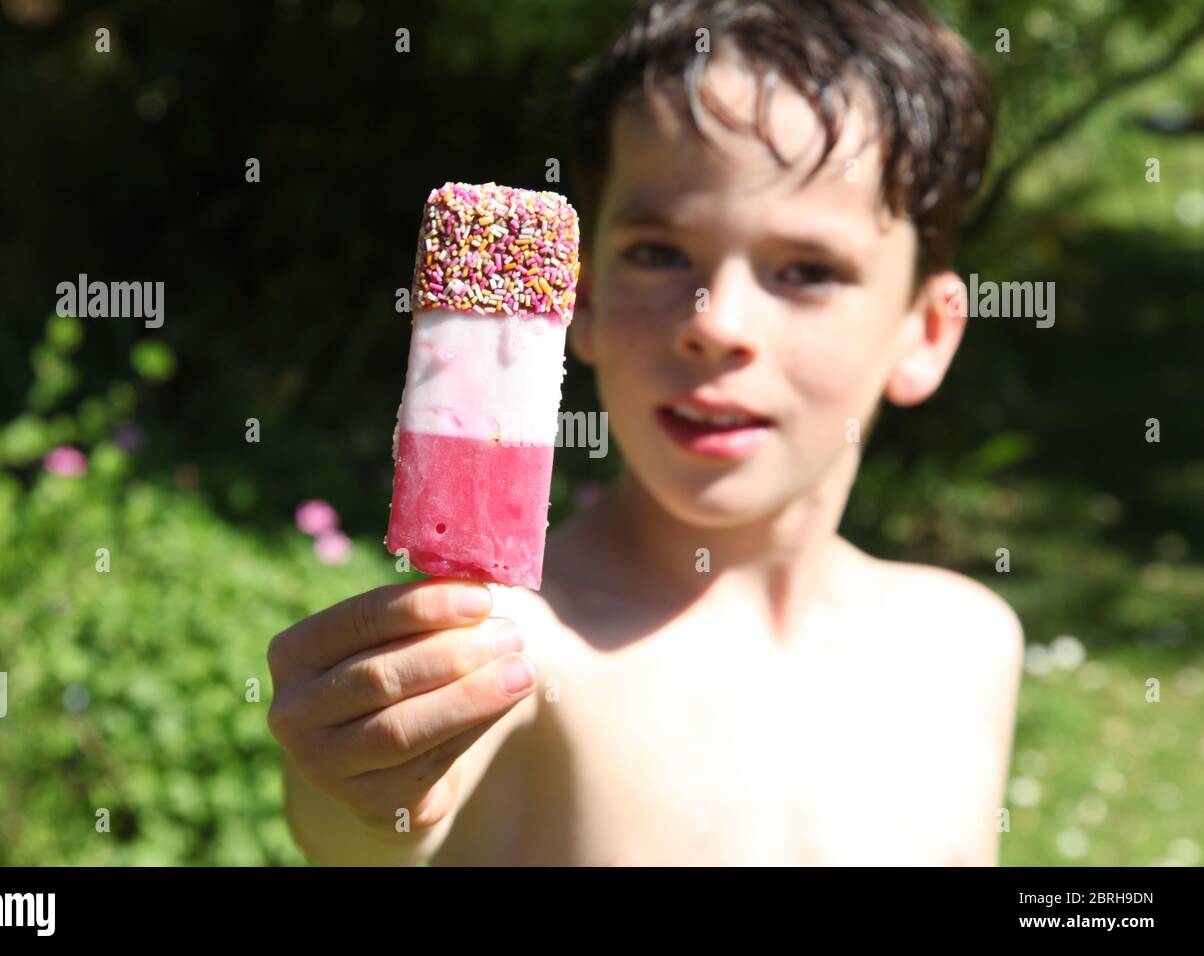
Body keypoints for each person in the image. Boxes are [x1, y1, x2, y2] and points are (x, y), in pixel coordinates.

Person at [267, 0, 1024, 865]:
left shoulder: (966, 644)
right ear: (576, 300)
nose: (718, 323)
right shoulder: (512, 647)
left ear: (925, 333)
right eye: (661, 254)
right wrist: (354, 787)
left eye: (808, 271)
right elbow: (374, 829)